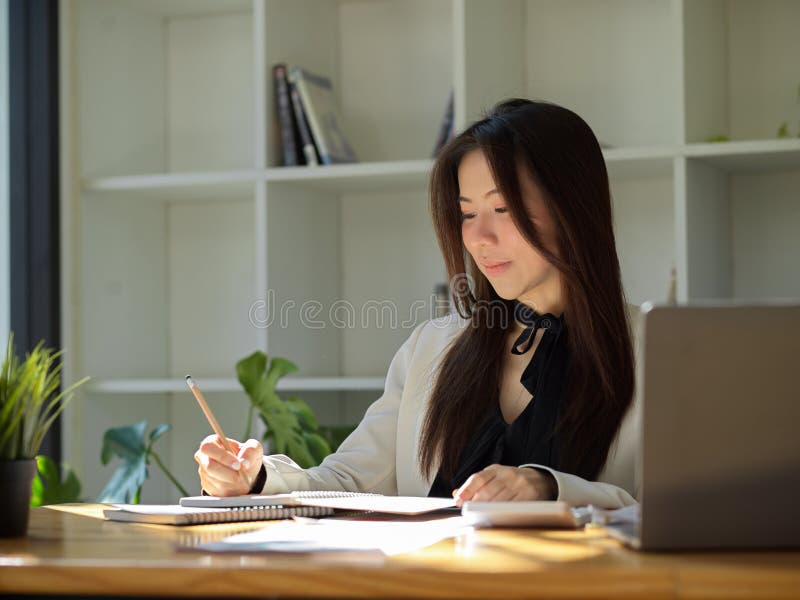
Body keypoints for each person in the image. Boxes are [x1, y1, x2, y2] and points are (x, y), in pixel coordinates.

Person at [194, 99, 640, 509]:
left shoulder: (657, 354)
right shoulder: (432, 347)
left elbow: (671, 513)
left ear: (572, 206)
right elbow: (347, 481)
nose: (479, 238)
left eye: (503, 209)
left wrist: (549, 488)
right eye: (467, 213)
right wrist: (256, 479)